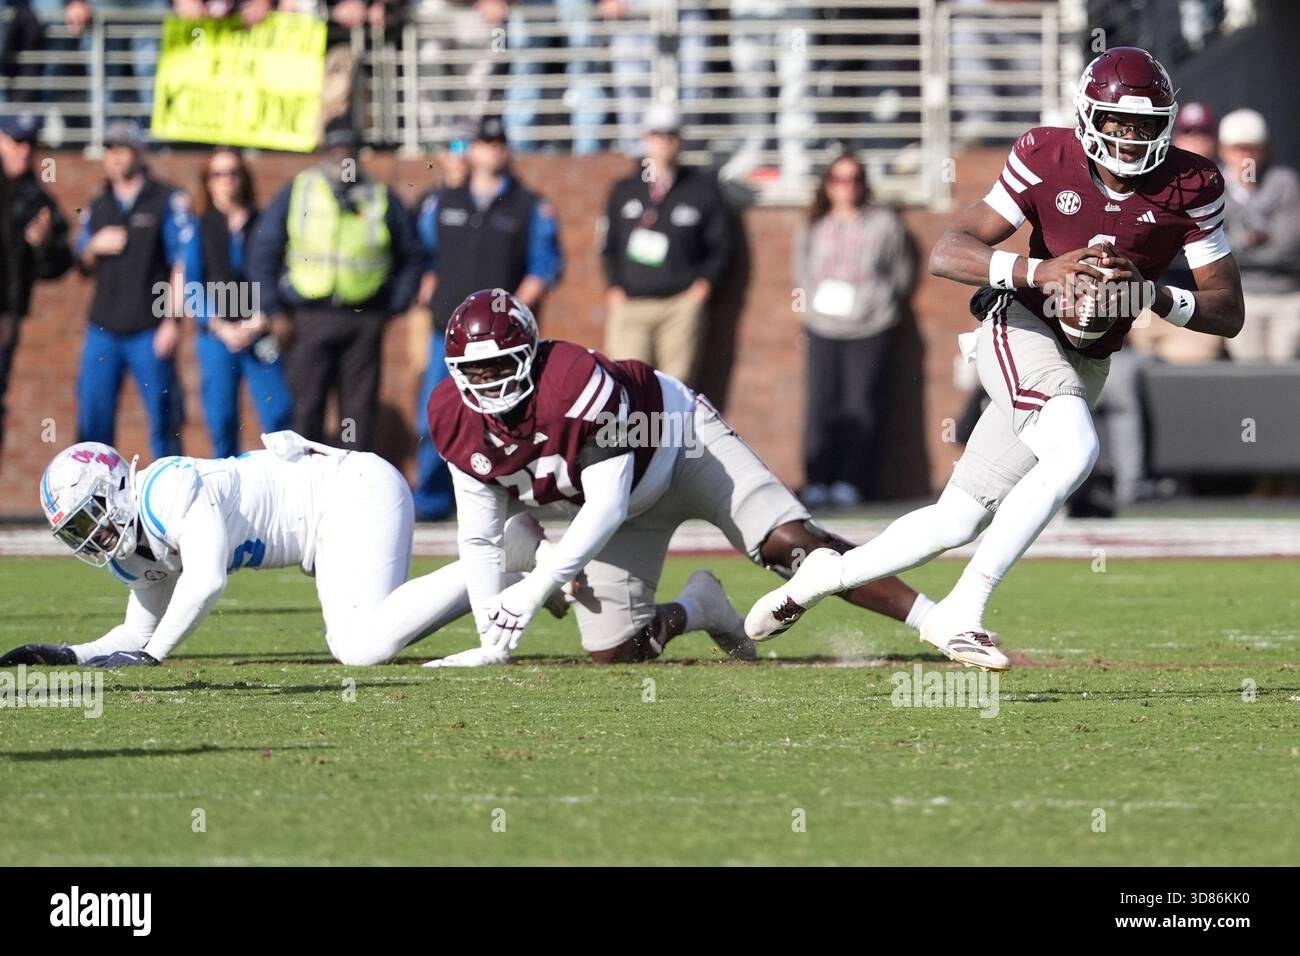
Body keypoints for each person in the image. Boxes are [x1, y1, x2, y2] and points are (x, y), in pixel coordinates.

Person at [746, 47, 1245, 672]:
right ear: (1090, 117)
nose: (1130, 136)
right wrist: (1042, 270)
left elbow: (1226, 310)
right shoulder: (1046, 155)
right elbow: (948, 251)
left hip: (1087, 359)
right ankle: (964, 607)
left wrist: (1151, 293)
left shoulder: (1192, 183)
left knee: (954, 521)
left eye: (1144, 125)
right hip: (1023, 324)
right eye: (1117, 122)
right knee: (1076, 452)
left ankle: (821, 576)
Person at [421, 289, 935, 668]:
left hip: (681, 445)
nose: (486, 382)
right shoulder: (453, 414)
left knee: (792, 547)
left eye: (497, 366)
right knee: (616, 653)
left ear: (528, 354)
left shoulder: (575, 381)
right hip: (626, 505)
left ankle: (936, 621)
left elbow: (606, 505)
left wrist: (535, 589)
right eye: (474, 370)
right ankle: (700, 607)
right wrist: (494, 645)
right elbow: (480, 535)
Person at [1, 434, 560, 667]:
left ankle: (508, 554)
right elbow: (135, 634)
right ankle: (514, 570)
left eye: (90, 519)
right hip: (330, 521)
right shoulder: (132, 549)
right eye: (78, 532)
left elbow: (205, 581)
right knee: (365, 638)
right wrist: (69, 655)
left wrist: (151, 659)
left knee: (359, 646)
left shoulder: (166, 487)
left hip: (350, 493)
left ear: (115, 488)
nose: (92, 538)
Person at [413, 115, 562, 520]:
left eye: (500, 142)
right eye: (485, 142)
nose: (493, 149)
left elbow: (544, 268)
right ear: (473, 149)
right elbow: (421, 253)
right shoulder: (442, 201)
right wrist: (426, 285)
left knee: (505, 422)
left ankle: (508, 499)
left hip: (500, 345)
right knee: (434, 415)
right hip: (446, 333)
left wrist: (509, 316)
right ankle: (430, 500)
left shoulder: (529, 206)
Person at [248, 117, 422, 451]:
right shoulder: (300, 191)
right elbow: (263, 252)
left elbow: (412, 255)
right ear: (324, 151)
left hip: (364, 317)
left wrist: (392, 305)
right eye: (337, 149)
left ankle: (352, 491)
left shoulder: (379, 195)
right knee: (305, 411)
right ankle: (304, 496)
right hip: (308, 318)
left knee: (356, 417)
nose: (343, 158)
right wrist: (274, 310)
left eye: (350, 151)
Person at [795, 152, 917, 509]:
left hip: (870, 324)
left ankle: (850, 482)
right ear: (827, 185)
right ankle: (817, 479)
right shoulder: (813, 223)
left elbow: (901, 273)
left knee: (859, 403)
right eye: (838, 179)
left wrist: (878, 302)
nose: (846, 187)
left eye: (853, 179)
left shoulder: (884, 223)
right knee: (820, 403)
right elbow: (801, 268)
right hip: (822, 325)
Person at [75, 119, 193, 459]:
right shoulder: (98, 203)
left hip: (149, 329)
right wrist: (94, 246)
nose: (114, 156)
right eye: (109, 148)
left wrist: (172, 321)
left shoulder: (166, 200)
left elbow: (181, 265)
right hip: (103, 329)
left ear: (140, 153)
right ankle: (94, 502)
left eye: (122, 148)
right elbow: (81, 264)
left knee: (164, 418)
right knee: (93, 422)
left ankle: (169, 500)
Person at [601, 103, 731, 388]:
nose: (663, 141)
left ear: (680, 139)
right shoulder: (625, 190)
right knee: (627, 387)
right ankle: (635, 436)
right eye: (657, 134)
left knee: (675, 390)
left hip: (679, 304)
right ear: (645, 137)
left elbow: (721, 245)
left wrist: (702, 288)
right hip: (632, 303)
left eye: (670, 134)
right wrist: (614, 288)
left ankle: (669, 436)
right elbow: (608, 244)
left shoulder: (701, 190)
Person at [190, 147, 293, 459]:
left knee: (278, 414)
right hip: (217, 337)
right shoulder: (200, 226)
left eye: (233, 173)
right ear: (208, 182)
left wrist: (261, 319)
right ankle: (228, 493)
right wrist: (221, 327)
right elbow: (192, 286)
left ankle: (282, 493)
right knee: (222, 421)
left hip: (259, 331)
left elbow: (284, 274)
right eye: (218, 174)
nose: (226, 181)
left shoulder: (264, 222)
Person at [0, 112, 71, 467]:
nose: (24, 151)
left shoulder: (36, 199)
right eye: (16, 141)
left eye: (30, 143)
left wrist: (41, 246)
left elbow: (59, 263)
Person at [1217, 108, 1300, 363]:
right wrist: (1248, 240)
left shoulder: (1283, 183)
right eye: (1238, 148)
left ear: (1265, 150)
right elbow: (1207, 249)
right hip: (1241, 297)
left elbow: (1289, 245)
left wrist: (1235, 243)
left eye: (1253, 148)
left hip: (1287, 297)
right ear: (1223, 150)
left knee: (1284, 371)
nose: (1246, 156)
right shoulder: (1213, 185)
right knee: (1249, 373)